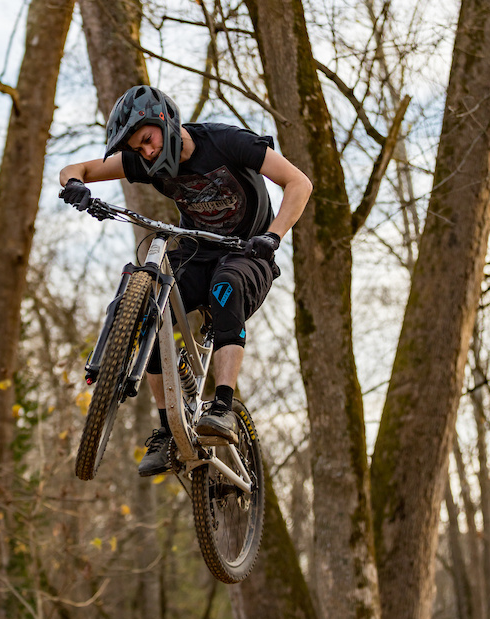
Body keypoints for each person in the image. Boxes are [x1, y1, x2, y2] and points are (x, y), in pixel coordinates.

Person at [60, 85, 312, 477]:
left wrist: (273, 236)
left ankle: (223, 408)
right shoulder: (145, 161)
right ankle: (167, 431)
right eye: (137, 148)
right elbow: (78, 169)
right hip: (197, 253)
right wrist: (76, 185)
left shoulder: (227, 141)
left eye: (147, 140)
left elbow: (298, 182)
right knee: (151, 303)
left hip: (248, 253)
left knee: (226, 284)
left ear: (166, 120)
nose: (146, 152)